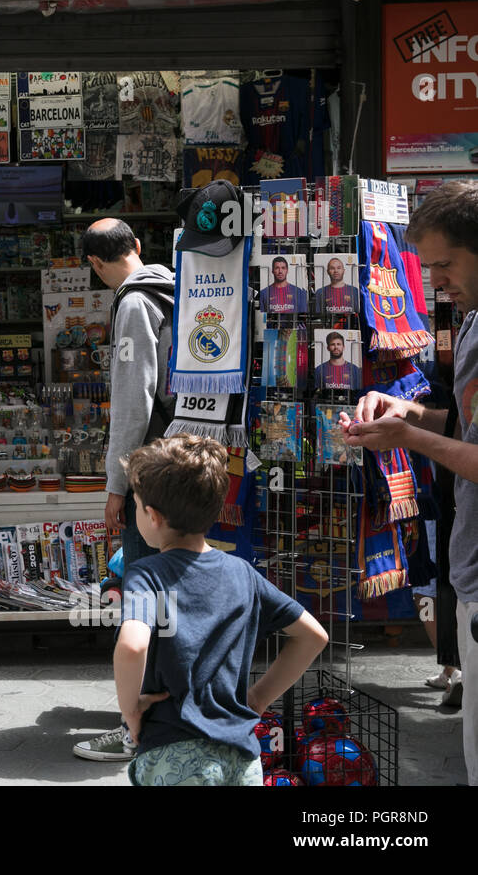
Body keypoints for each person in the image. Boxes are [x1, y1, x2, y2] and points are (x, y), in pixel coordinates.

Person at [341, 180, 478, 784]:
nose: (435, 282)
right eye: (428, 268)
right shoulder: (472, 320)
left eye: (444, 264)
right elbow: (466, 425)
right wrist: (407, 411)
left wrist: (410, 439)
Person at [116, 435, 329, 785]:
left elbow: (132, 646)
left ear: (152, 516)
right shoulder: (242, 573)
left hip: (174, 753)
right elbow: (313, 636)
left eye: (136, 505)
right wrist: (259, 697)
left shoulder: (145, 575)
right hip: (242, 756)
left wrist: (131, 711)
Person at [74, 217, 175, 762]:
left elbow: (134, 402)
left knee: (142, 596)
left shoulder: (134, 304)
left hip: (152, 467)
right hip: (185, 458)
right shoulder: (178, 284)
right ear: (139, 245)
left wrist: (117, 483)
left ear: (95, 263)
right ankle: (166, 709)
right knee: (169, 594)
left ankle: (137, 726)